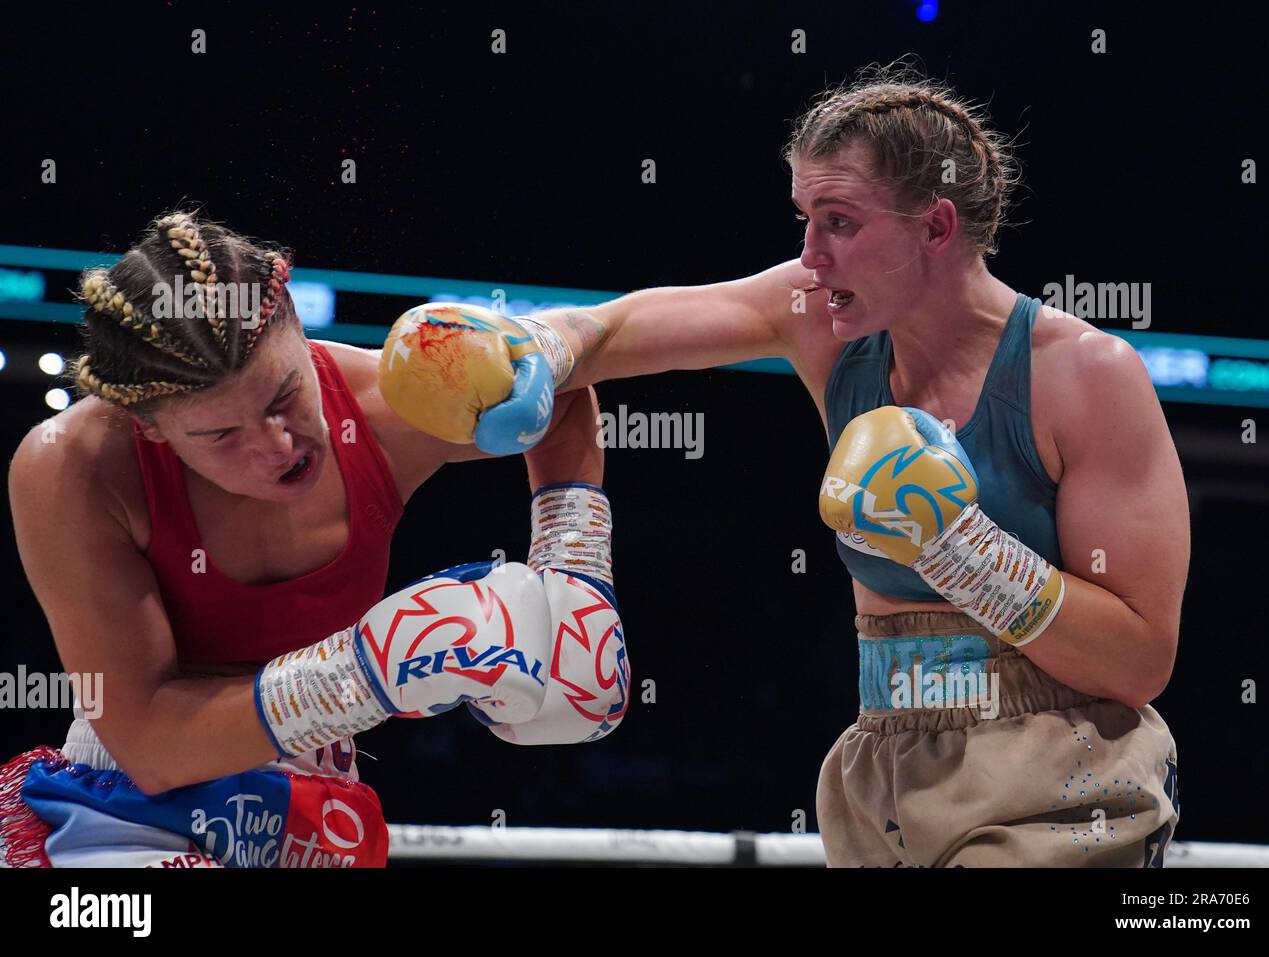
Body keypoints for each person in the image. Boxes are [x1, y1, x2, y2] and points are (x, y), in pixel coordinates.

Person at [501, 65, 1186, 866]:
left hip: (1058, 778)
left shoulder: (1084, 374)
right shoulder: (825, 321)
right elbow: (614, 332)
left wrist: (960, 548)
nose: (810, 254)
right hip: (881, 769)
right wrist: (527, 350)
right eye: (804, 218)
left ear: (934, 228)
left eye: (838, 222)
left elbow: (1141, 659)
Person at [0, 210, 627, 868]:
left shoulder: (386, 406)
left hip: (317, 811)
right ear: (153, 428)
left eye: (282, 397)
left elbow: (583, 366)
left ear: (299, 326)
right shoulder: (72, 462)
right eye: (220, 434)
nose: (276, 445)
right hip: (135, 812)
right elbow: (150, 750)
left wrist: (574, 566)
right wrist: (372, 670)